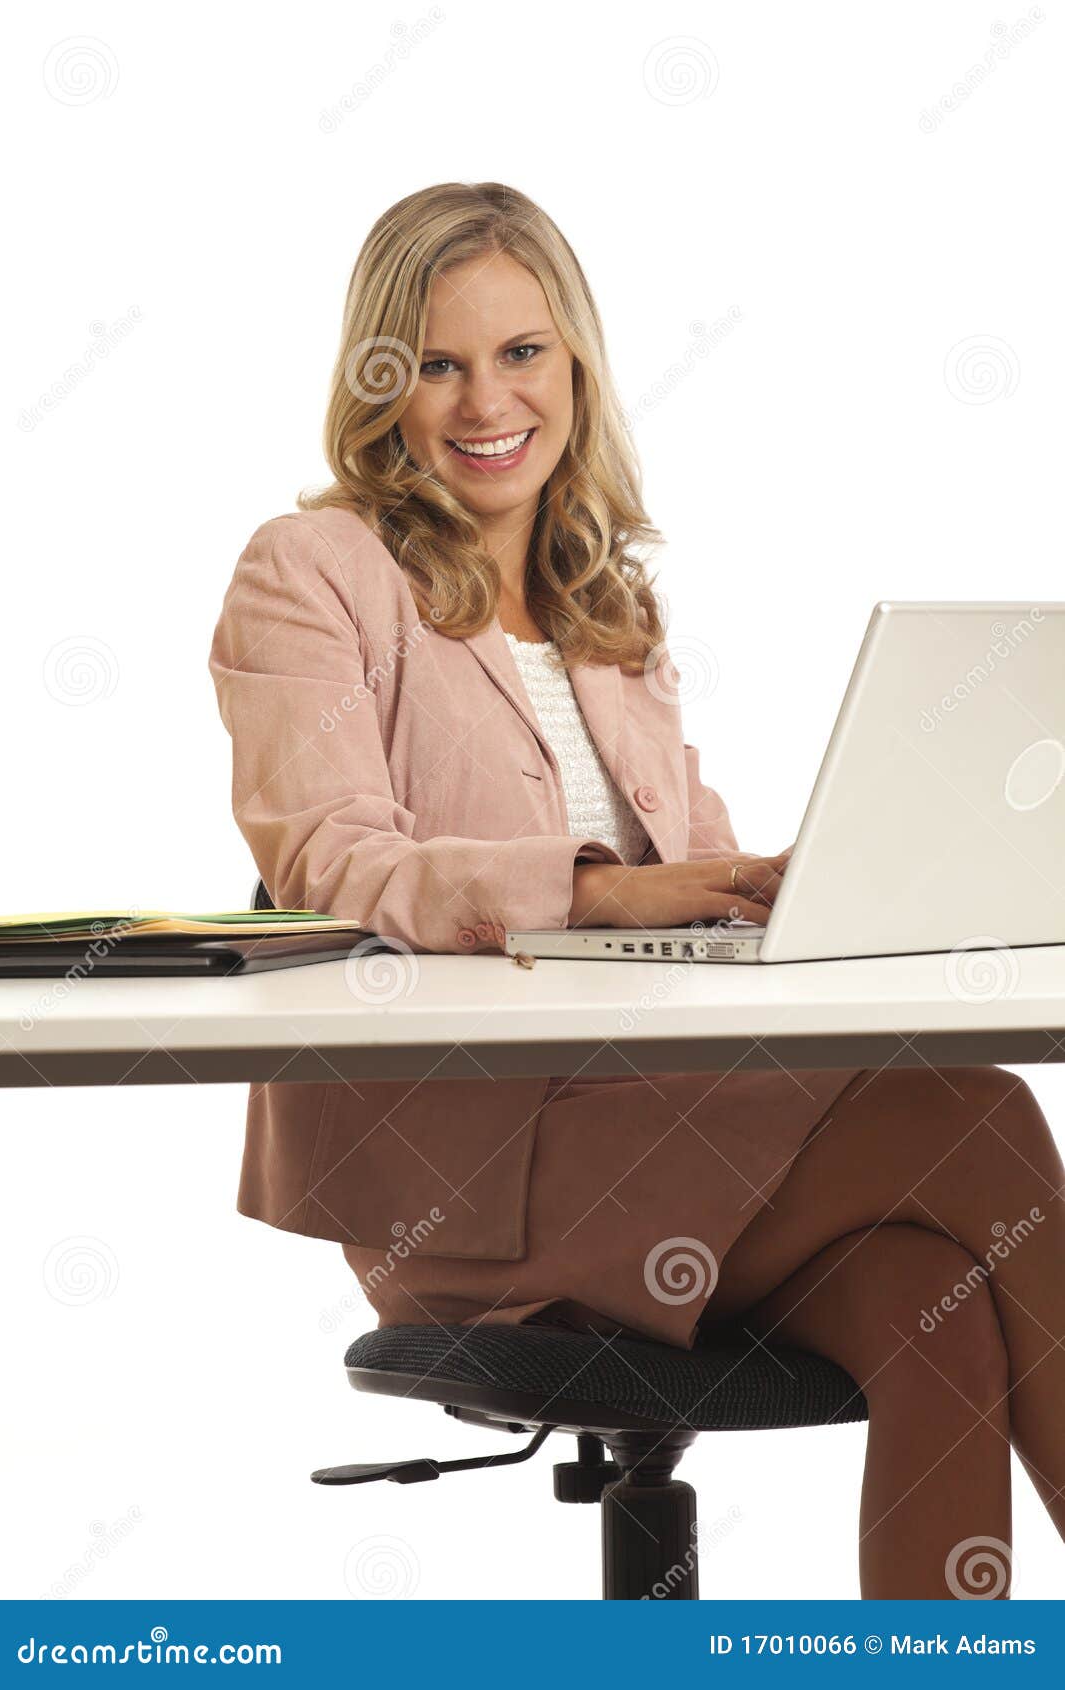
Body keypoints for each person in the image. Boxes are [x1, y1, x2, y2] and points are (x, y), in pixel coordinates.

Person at [209, 181, 1065, 1598]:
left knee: (934, 1301)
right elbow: (334, 862)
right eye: (438, 363)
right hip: (471, 1181)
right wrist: (603, 893)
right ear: (379, 381)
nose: (488, 401)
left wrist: (815, 891)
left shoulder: (603, 602)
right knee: (974, 1114)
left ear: (577, 365)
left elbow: (694, 874)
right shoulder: (313, 572)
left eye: (522, 353)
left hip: (678, 1124)